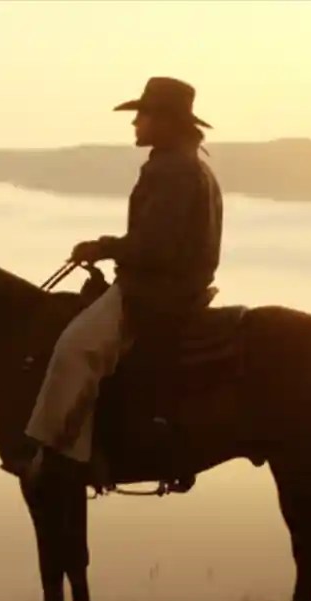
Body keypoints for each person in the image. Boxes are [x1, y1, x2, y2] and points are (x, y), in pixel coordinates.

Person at [22, 76, 224, 490]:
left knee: (74, 347)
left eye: (143, 116)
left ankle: (63, 453)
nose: (135, 125)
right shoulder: (189, 165)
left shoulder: (172, 170)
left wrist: (103, 247)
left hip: (158, 291)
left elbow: (156, 246)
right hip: (177, 284)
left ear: (166, 121)